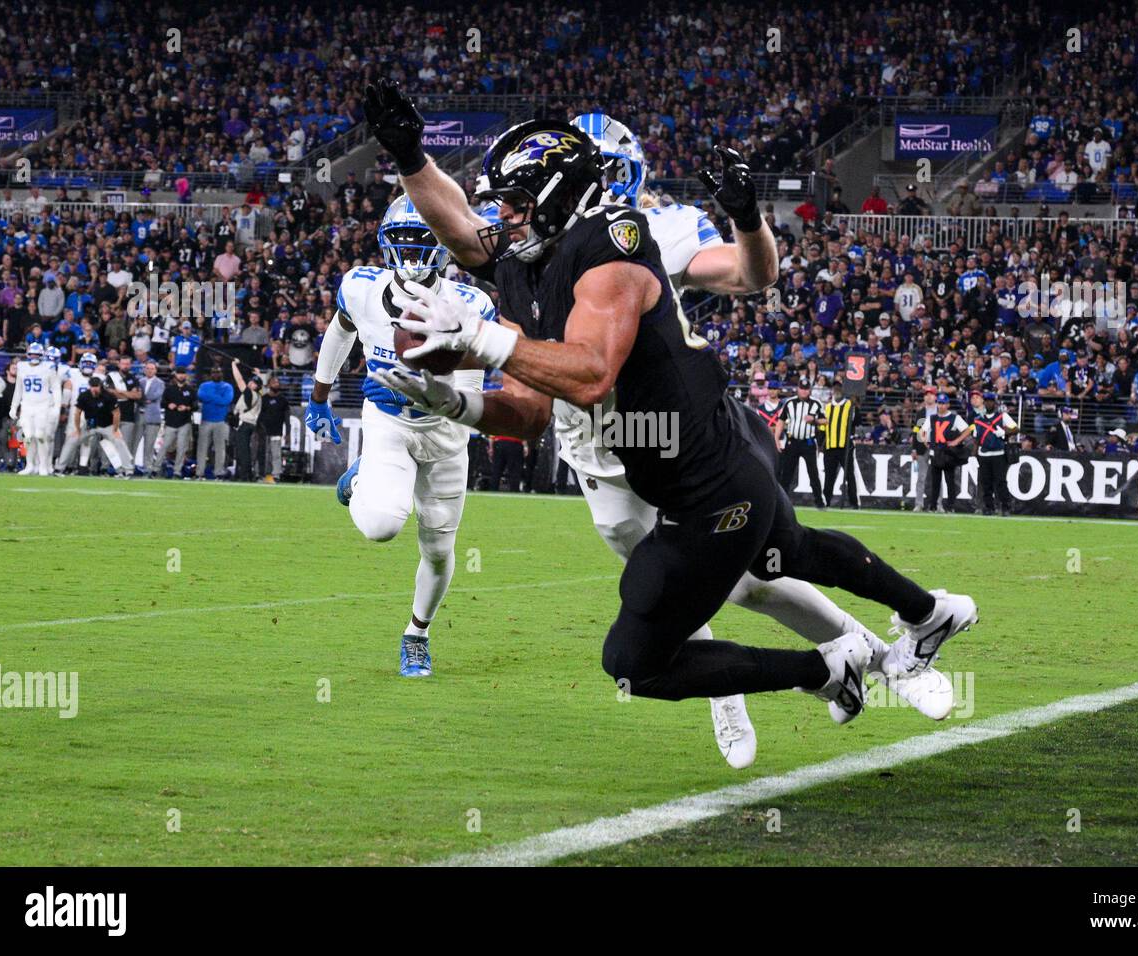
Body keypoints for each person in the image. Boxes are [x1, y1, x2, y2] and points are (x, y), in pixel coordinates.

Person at [363, 87, 975, 744]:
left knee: (713, 607)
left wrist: (747, 219)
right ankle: (916, 618)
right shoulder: (525, 254)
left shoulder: (619, 242)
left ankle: (854, 665)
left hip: (681, 447)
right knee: (772, 560)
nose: (500, 216)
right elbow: (470, 247)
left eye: (515, 202)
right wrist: (409, 155)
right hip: (619, 447)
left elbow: (728, 290)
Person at [306, 193, 493, 678]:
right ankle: (366, 474)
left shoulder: (470, 305)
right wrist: (319, 395)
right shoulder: (362, 288)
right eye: (402, 244)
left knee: (438, 547)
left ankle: (416, 634)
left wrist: (429, 389)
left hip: (446, 434)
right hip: (388, 422)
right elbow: (340, 330)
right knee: (382, 526)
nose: (411, 255)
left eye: (421, 243)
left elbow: (470, 393)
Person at [9, 342, 60, 476]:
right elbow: (18, 389)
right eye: (32, 354)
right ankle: (30, 465)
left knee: (40, 436)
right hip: (27, 405)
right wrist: (14, 406)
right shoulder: (22, 366)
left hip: (42, 405)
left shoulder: (48, 367)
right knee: (28, 437)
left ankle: (43, 466)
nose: (34, 357)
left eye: (37, 355)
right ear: (28, 354)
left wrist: (56, 406)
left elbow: (55, 388)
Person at [775, 379, 826, 508]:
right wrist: (776, 438)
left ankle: (819, 502)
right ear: (798, 388)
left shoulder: (816, 403)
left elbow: (825, 420)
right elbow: (781, 421)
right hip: (792, 442)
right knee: (786, 473)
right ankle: (781, 502)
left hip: (808, 442)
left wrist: (814, 420)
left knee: (813, 473)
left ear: (810, 390)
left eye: (806, 388)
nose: (804, 391)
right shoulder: (789, 403)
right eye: (802, 388)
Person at [73, 376, 134, 478]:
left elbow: (116, 413)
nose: (95, 389)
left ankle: (127, 469)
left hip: (107, 425)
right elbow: (79, 413)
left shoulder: (108, 396)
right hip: (92, 425)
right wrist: (78, 430)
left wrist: (115, 429)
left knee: (117, 444)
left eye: (97, 386)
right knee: (81, 443)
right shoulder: (86, 396)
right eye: (93, 386)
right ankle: (73, 467)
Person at [968, 390, 1017, 516]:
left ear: (994, 404)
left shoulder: (1002, 416)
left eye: (991, 402)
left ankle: (1006, 507)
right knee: (986, 484)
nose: (989, 404)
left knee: (1001, 482)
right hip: (984, 455)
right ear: (984, 403)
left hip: (998, 453)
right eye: (987, 401)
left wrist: (1004, 432)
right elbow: (976, 439)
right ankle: (989, 507)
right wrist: (973, 456)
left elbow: (1016, 428)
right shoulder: (978, 420)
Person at [924, 393, 972, 513]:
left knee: (949, 481)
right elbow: (923, 430)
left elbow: (968, 430)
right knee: (935, 481)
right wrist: (925, 441)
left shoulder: (954, 417)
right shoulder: (932, 418)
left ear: (948, 404)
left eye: (943, 403)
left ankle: (950, 506)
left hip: (948, 452)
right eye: (939, 403)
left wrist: (957, 441)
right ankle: (933, 505)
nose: (941, 406)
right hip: (936, 452)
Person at [821, 379, 857, 508]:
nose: (837, 390)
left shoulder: (849, 405)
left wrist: (855, 405)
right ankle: (826, 501)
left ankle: (854, 502)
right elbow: (822, 427)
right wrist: (821, 444)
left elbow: (856, 421)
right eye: (835, 388)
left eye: (839, 388)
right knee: (829, 476)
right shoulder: (827, 407)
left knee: (849, 475)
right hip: (830, 446)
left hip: (845, 446)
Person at [229, 359, 262, 481]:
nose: (250, 383)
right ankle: (245, 474)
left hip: (245, 424)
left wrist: (234, 365)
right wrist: (257, 374)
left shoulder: (250, 393)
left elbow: (239, 380)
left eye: (253, 383)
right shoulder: (258, 395)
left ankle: (245, 476)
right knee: (245, 450)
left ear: (256, 386)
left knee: (243, 451)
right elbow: (260, 384)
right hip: (251, 424)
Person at [162, 367, 197, 478]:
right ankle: (155, 469)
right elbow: (162, 402)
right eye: (179, 374)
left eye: (183, 374)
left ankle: (177, 471)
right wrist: (169, 405)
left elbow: (195, 405)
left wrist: (187, 407)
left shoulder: (190, 390)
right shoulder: (169, 389)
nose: (181, 376)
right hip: (170, 422)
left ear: (186, 375)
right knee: (165, 446)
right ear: (175, 375)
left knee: (182, 448)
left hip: (184, 422)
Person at [256, 375, 290, 484]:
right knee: (262, 453)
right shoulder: (264, 398)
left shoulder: (283, 400)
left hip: (277, 431)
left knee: (276, 454)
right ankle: (259, 473)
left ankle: (276, 475)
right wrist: (259, 429)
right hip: (264, 432)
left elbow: (287, 417)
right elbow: (259, 415)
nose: (276, 384)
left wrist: (288, 432)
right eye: (274, 382)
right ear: (269, 385)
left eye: (277, 382)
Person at [138, 360, 165, 476]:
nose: (149, 370)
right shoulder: (140, 381)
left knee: (149, 444)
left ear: (156, 370)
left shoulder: (160, 383)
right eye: (148, 368)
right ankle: (130, 466)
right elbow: (136, 395)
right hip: (139, 415)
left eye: (152, 368)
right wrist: (143, 399)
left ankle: (148, 468)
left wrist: (142, 398)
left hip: (153, 416)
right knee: (134, 442)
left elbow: (155, 396)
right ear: (144, 370)